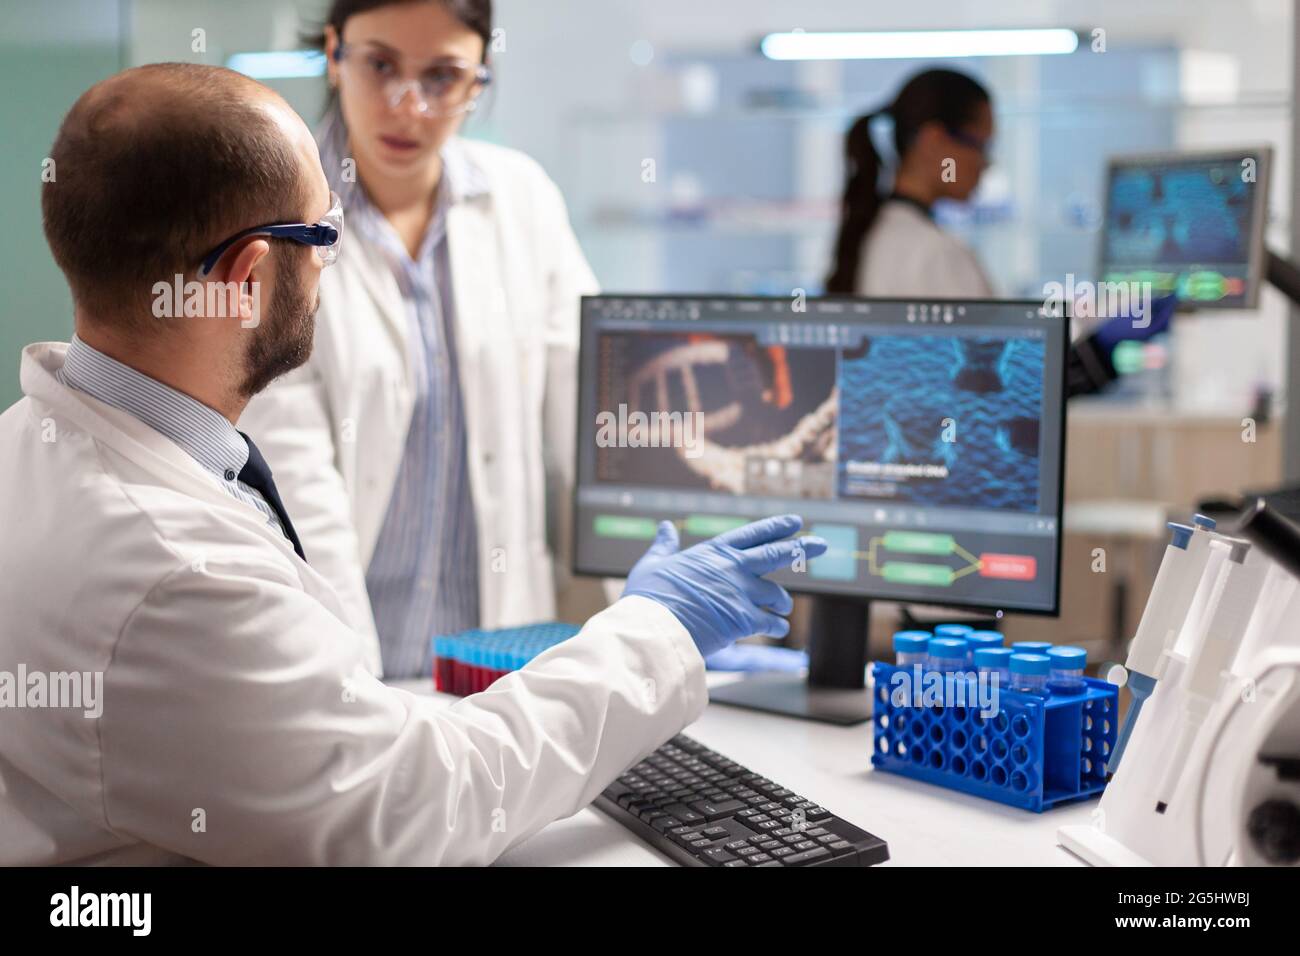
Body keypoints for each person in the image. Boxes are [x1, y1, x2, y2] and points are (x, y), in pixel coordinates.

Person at [0, 62, 824, 866]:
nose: (331, 263)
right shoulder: (181, 571)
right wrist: (660, 629)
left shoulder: (35, 447)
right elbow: (421, 803)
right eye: (322, 236)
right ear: (245, 279)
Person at [240, 0, 598, 679]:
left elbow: (587, 414)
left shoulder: (522, 200)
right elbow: (296, 486)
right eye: (381, 66)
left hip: (496, 660)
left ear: (479, 80)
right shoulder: (273, 218)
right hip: (345, 659)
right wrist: (355, 694)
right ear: (334, 52)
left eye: (442, 77)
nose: (409, 105)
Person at [826, 67, 1175, 398]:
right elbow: (1006, 389)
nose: (987, 163)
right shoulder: (935, 252)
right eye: (980, 145)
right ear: (933, 142)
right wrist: (1098, 351)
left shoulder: (880, 234)